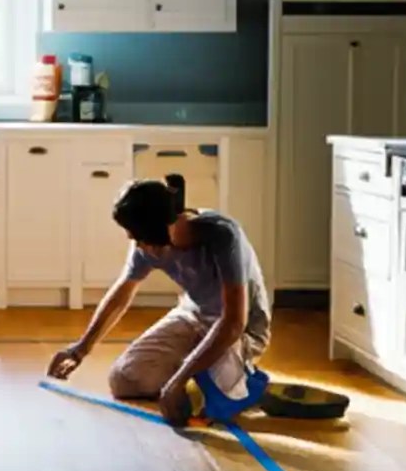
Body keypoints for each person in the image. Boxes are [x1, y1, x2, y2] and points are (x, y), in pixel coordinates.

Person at [46, 177, 272, 426]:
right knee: (124, 380)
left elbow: (233, 321)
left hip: (242, 332)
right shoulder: (147, 239)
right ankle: (204, 370)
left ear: (161, 226)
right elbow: (121, 295)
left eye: (140, 238)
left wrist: (179, 379)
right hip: (192, 316)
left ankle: (242, 379)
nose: (138, 246)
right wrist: (79, 350)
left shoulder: (222, 235)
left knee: (206, 403)